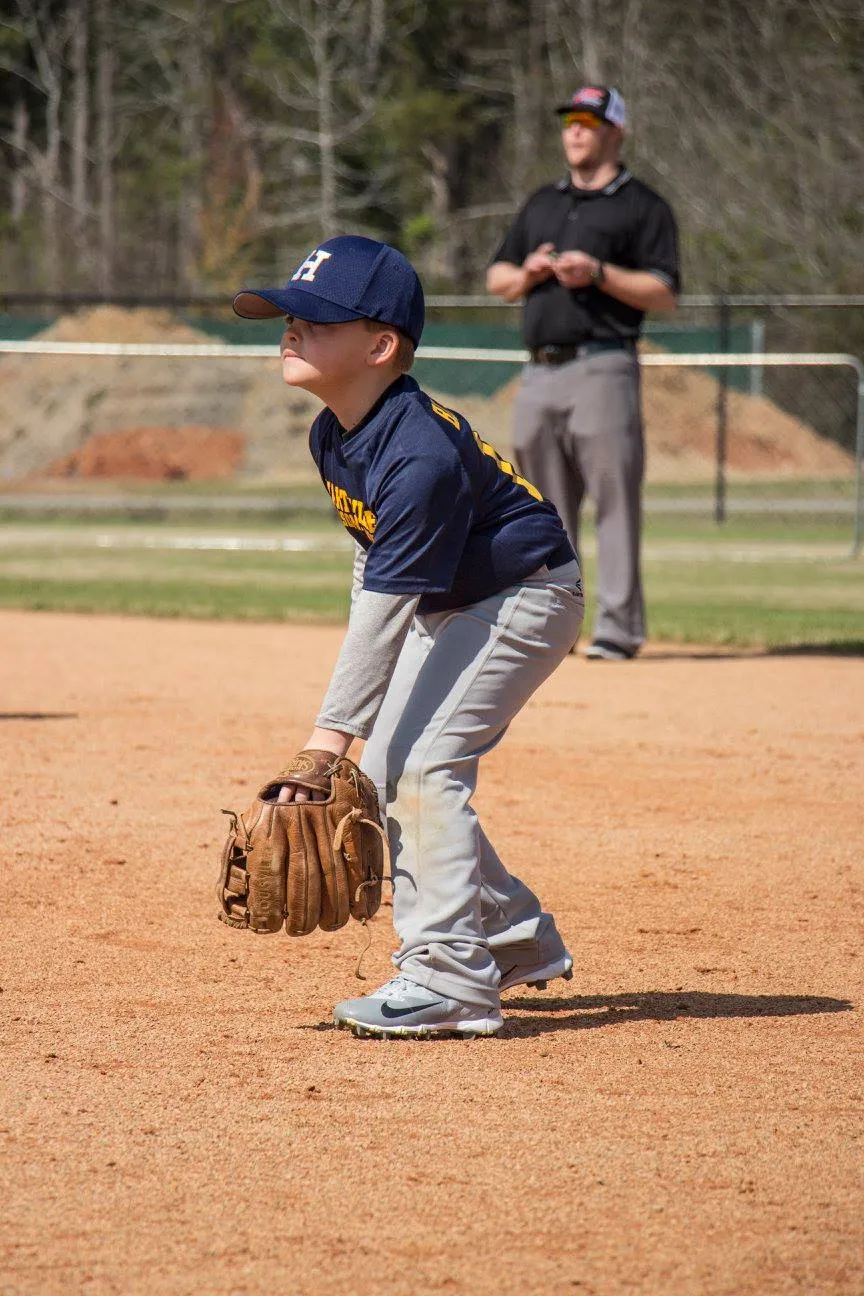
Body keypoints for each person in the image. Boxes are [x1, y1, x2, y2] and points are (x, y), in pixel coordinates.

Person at [232, 234, 584, 1038]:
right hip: (450, 602)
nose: (290, 329)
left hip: (523, 596)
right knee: (392, 766)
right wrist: (348, 738)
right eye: (287, 315)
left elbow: (388, 602)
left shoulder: (418, 454)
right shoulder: (334, 432)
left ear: (381, 345)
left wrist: (325, 747)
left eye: (315, 321)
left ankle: (450, 979)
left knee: (423, 765)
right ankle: (508, 937)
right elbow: (376, 574)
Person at [487, 84, 680, 661]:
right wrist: (528, 273)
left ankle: (617, 631)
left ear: (615, 131)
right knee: (540, 506)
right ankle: (551, 628)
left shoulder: (641, 204)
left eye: (588, 122)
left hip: (603, 365)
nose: (575, 130)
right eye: (569, 120)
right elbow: (497, 277)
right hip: (539, 372)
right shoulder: (543, 201)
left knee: (614, 500)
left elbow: (664, 290)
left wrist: (597, 272)